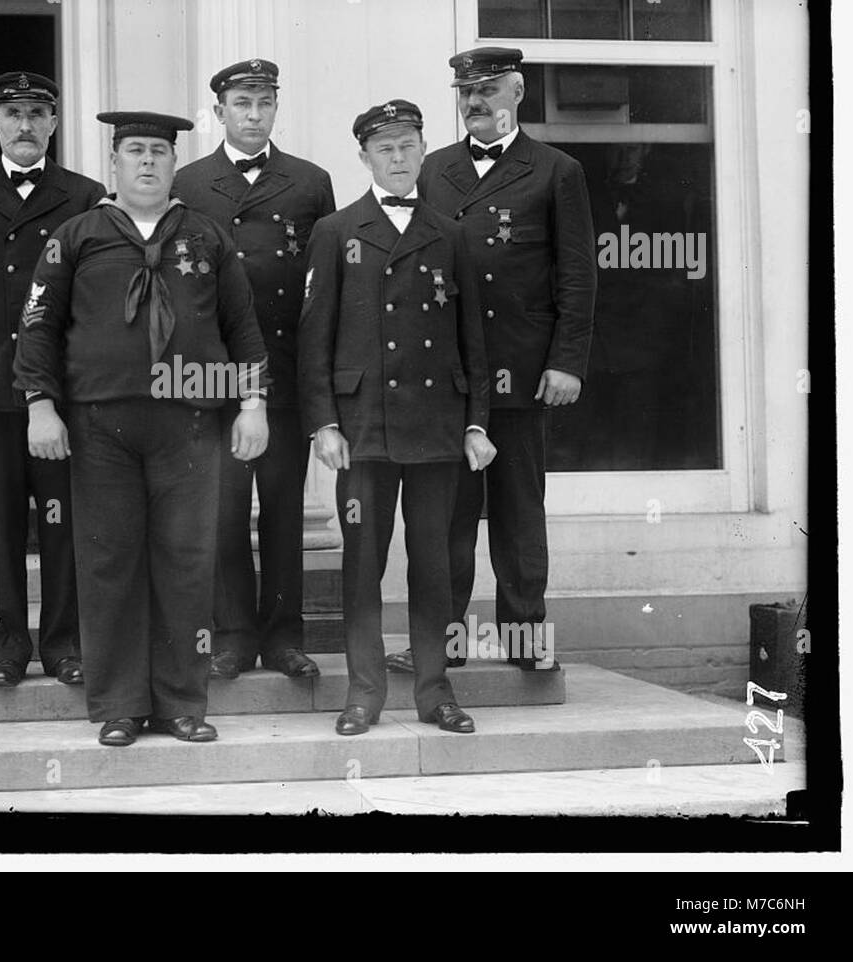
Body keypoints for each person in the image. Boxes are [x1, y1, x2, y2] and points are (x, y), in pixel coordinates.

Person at [13, 110, 270, 746]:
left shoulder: (206, 236)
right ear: (114, 163)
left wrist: (254, 404)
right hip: (101, 425)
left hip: (188, 423)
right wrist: (40, 405)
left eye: (159, 151)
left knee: (186, 561)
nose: (148, 162)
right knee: (108, 561)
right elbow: (38, 324)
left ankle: (183, 701)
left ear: (175, 164)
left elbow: (242, 327)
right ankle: (119, 706)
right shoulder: (77, 235)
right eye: (135, 151)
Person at [385, 47, 596, 675]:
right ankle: (439, 645)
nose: (474, 102)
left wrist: (568, 361)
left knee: (516, 513)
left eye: (488, 90)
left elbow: (578, 276)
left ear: (517, 92)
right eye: (465, 91)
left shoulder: (557, 171)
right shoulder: (437, 169)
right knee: (444, 518)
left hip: (522, 373)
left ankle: (526, 640)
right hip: (446, 377)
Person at [299, 99, 493, 735]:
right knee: (362, 564)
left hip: (437, 426)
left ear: (423, 149)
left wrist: (476, 423)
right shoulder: (336, 232)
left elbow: (473, 340)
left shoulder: (450, 230)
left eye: (409, 145)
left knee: (435, 564)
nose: (400, 158)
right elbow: (314, 338)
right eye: (386, 149)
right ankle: (363, 693)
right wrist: (323, 423)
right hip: (364, 431)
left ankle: (435, 693)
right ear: (364, 158)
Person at [173, 58, 336, 682]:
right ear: (219, 112)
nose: (253, 114)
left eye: (264, 103)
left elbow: (322, 287)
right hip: (216, 380)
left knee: (283, 508)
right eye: (241, 103)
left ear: (276, 109)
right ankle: (233, 637)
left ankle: (285, 637)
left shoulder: (309, 181)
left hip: (285, 376)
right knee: (223, 510)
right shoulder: (188, 181)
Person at [0, 72, 105, 689]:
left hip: (58, 394)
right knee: (4, 523)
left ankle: (64, 643)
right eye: (12, 113)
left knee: (63, 522)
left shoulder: (85, 196)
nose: (26, 125)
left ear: (55, 123)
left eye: (38, 113)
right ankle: (9, 644)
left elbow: (91, 301)